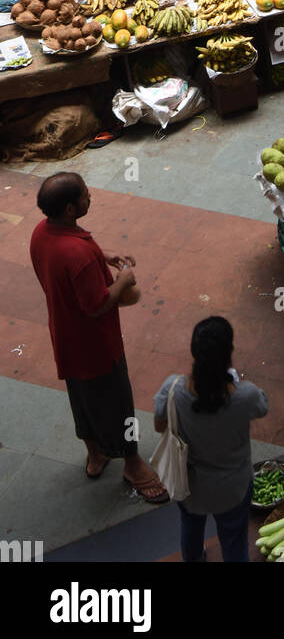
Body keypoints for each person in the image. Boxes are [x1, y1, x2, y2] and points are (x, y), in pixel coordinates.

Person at [29, 172, 168, 503]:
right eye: (85, 196)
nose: (90, 198)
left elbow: (70, 260)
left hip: (65, 338)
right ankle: (132, 463)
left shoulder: (41, 233)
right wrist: (124, 280)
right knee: (117, 401)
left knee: (81, 398)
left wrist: (100, 257)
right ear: (70, 209)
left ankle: (95, 454)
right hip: (96, 345)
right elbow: (97, 305)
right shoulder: (76, 255)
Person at [154, 316, 268, 563]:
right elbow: (263, 407)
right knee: (234, 539)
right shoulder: (245, 396)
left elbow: (159, 425)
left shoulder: (172, 389)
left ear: (194, 353)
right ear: (230, 354)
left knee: (191, 528)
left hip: (188, 486)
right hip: (233, 490)